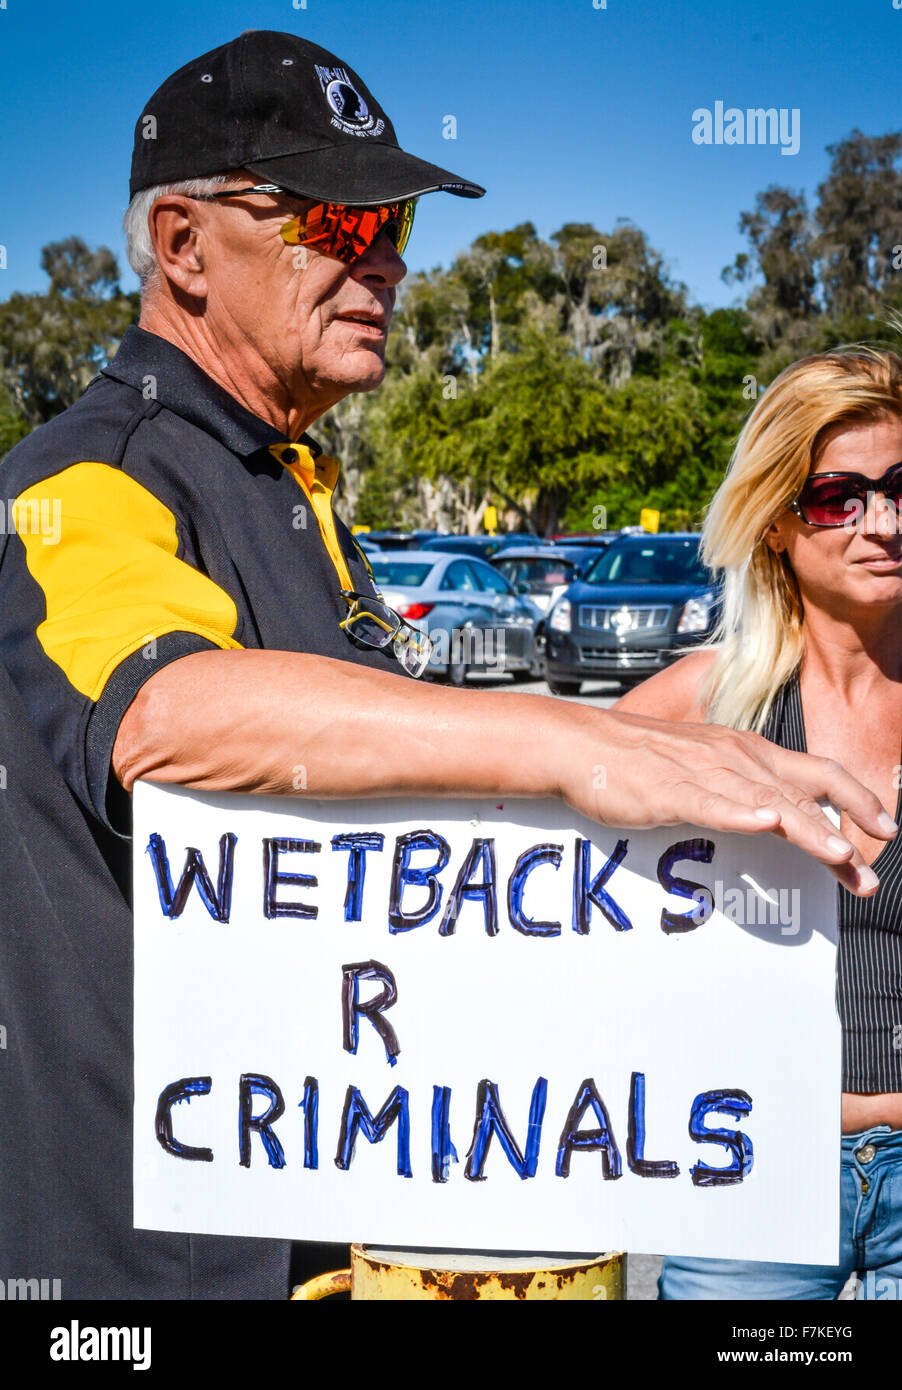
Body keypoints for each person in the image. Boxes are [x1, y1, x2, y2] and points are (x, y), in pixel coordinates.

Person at [0, 31, 894, 1300]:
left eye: (394, 227)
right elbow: (162, 709)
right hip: (147, 1272)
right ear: (184, 247)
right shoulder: (87, 479)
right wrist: (584, 744)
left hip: (318, 1235)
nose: (385, 263)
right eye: (336, 222)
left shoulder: (279, 478)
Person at [616, 346, 902, 1300]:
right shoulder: (710, 701)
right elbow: (510, 834)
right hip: (750, 1165)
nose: (883, 520)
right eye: (839, 496)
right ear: (778, 521)